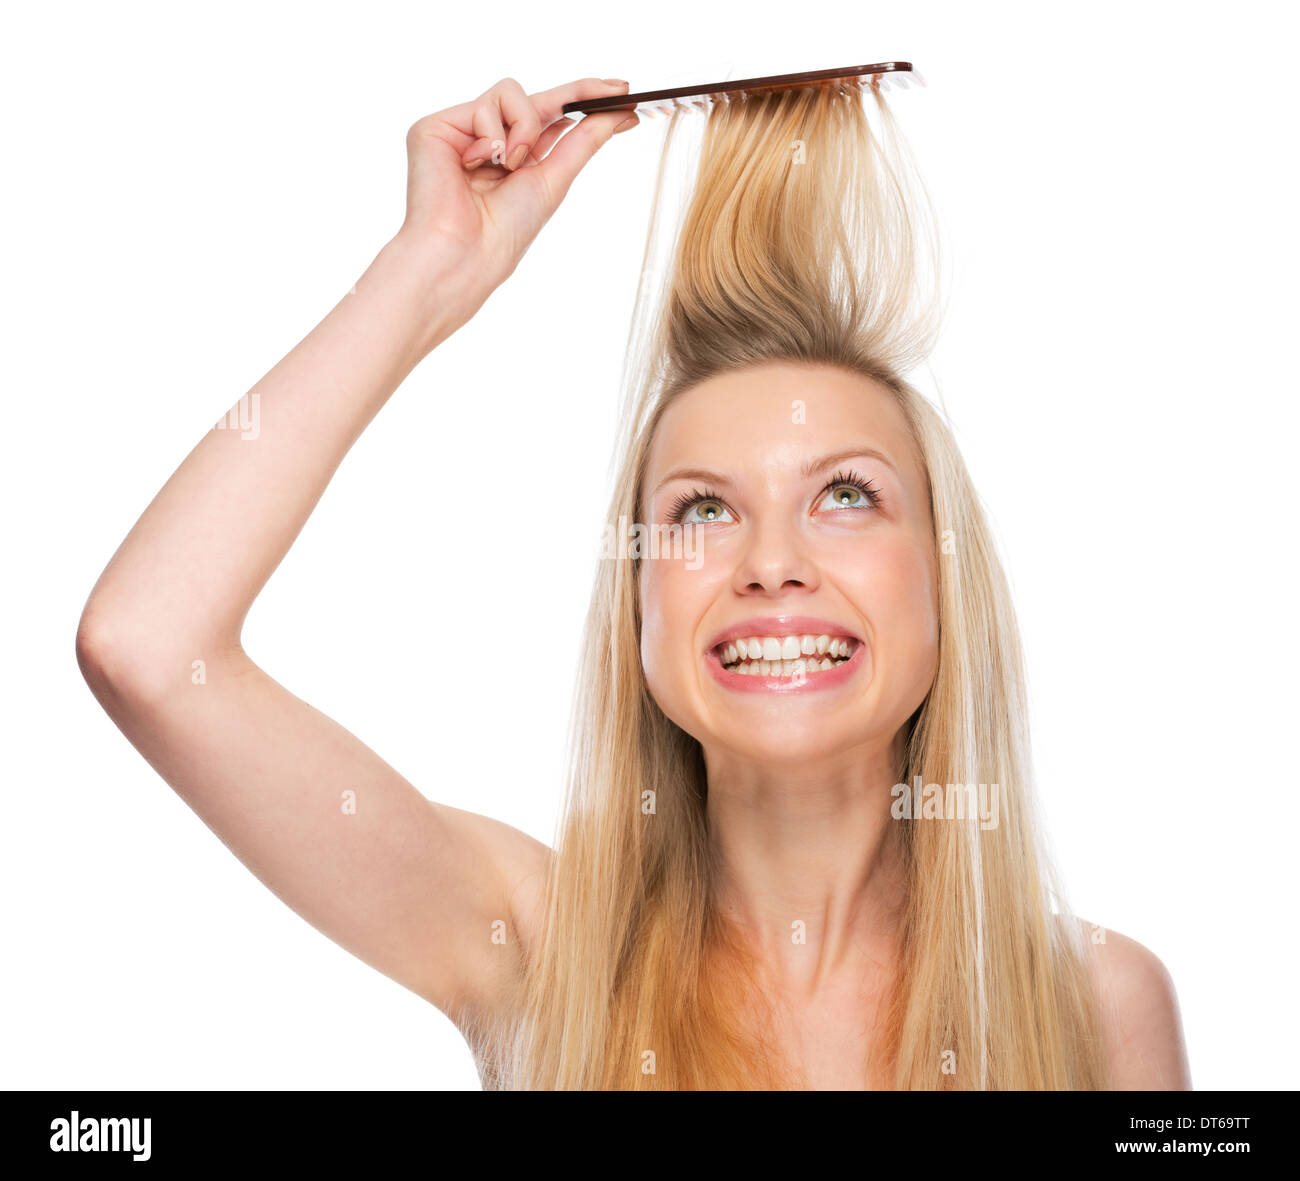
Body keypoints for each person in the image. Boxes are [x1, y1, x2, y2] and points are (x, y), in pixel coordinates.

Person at [76, 74, 1190, 1090]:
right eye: (703, 509)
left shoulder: (1093, 1006)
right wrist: (430, 271)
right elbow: (147, 645)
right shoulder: (538, 951)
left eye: (845, 494)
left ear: (949, 580)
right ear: (639, 611)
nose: (771, 562)